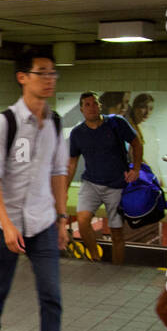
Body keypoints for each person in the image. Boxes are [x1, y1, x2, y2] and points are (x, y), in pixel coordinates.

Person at [0, 50, 76, 331]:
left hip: (43, 222)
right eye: (42, 73)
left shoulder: (57, 123)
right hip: (5, 221)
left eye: (53, 73)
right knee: (0, 286)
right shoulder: (4, 122)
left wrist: (62, 220)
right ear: (23, 77)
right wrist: (6, 225)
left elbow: (58, 172)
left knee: (52, 295)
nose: (49, 79)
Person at [67, 90, 143, 264]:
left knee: (116, 233)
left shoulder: (116, 122)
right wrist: (63, 189)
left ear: (100, 106)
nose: (92, 108)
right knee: (83, 220)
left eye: (95, 104)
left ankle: (117, 268)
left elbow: (136, 143)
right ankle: (95, 259)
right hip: (91, 183)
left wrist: (136, 169)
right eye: (87, 105)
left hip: (116, 185)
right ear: (81, 109)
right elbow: (72, 163)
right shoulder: (78, 133)